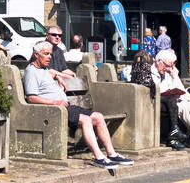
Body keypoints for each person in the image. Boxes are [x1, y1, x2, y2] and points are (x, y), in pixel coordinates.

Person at [23, 39, 133, 168]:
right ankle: (98, 157)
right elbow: (31, 98)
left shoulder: (43, 69)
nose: (49, 57)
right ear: (36, 55)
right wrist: (55, 102)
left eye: (50, 54)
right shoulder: (31, 72)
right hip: (54, 110)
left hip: (65, 106)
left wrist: (57, 75)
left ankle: (111, 153)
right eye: (46, 54)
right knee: (86, 120)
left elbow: (49, 72)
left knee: (98, 116)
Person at [151, 49, 190, 149]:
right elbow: (158, 91)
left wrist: (175, 77)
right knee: (183, 106)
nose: (169, 69)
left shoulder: (168, 72)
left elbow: (180, 89)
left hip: (173, 100)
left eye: (171, 66)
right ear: (159, 61)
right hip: (163, 102)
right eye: (167, 66)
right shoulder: (152, 73)